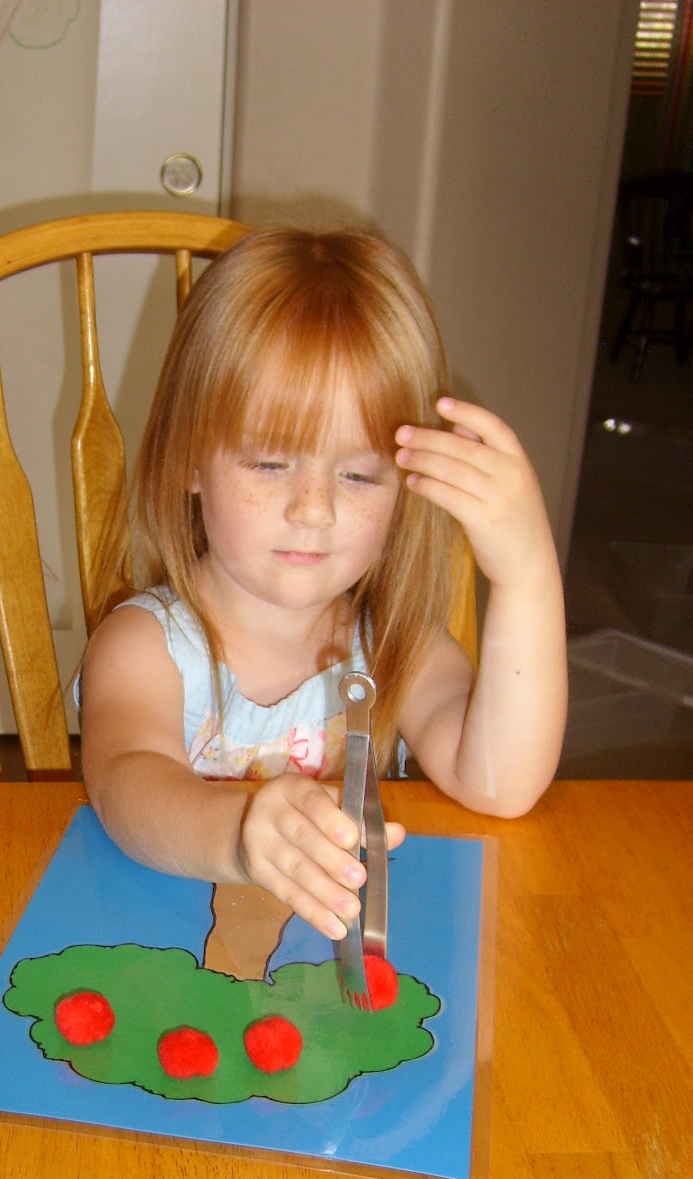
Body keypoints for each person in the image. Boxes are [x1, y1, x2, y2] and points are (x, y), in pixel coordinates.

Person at [79, 225, 567, 945]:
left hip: (334, 978)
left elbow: (501, 784)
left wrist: (527, 577)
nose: (315, 509)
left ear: (406, 488)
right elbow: (126, 785)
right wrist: (243, 833)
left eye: (359, 474)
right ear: (189, 458)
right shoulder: (143, 649)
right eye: (270, 463)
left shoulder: (397, 645)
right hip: (176, 954)